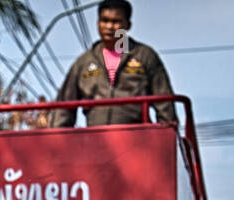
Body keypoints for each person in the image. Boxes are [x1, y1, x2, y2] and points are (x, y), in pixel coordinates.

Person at [49, 1, 177, 128]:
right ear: (98, 23)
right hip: (95, 140)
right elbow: (63, 108)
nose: (109, 26)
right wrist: (57, 140)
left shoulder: (144, 56)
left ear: (128, 25)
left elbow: (164, 103)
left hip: (137, 139)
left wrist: (166, 134)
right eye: (104, 20)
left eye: (116, 22)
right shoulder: (84, 62)